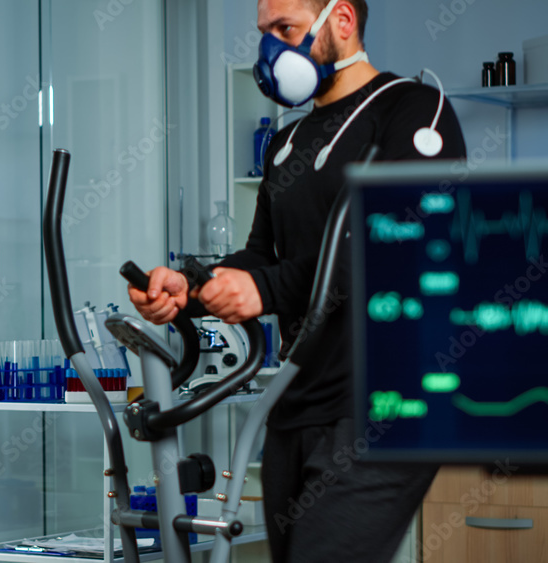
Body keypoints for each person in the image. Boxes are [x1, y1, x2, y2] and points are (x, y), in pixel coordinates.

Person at [129, 1, 466, 561]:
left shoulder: (411, 108)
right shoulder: (288, 141)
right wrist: (190, 288)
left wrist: (266, 290)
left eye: (285, 30)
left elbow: (393, 242)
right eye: (264, 34)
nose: (272, 50)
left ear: (342, 21)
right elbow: (261, 255)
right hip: (296, 401)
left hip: (382, 404)